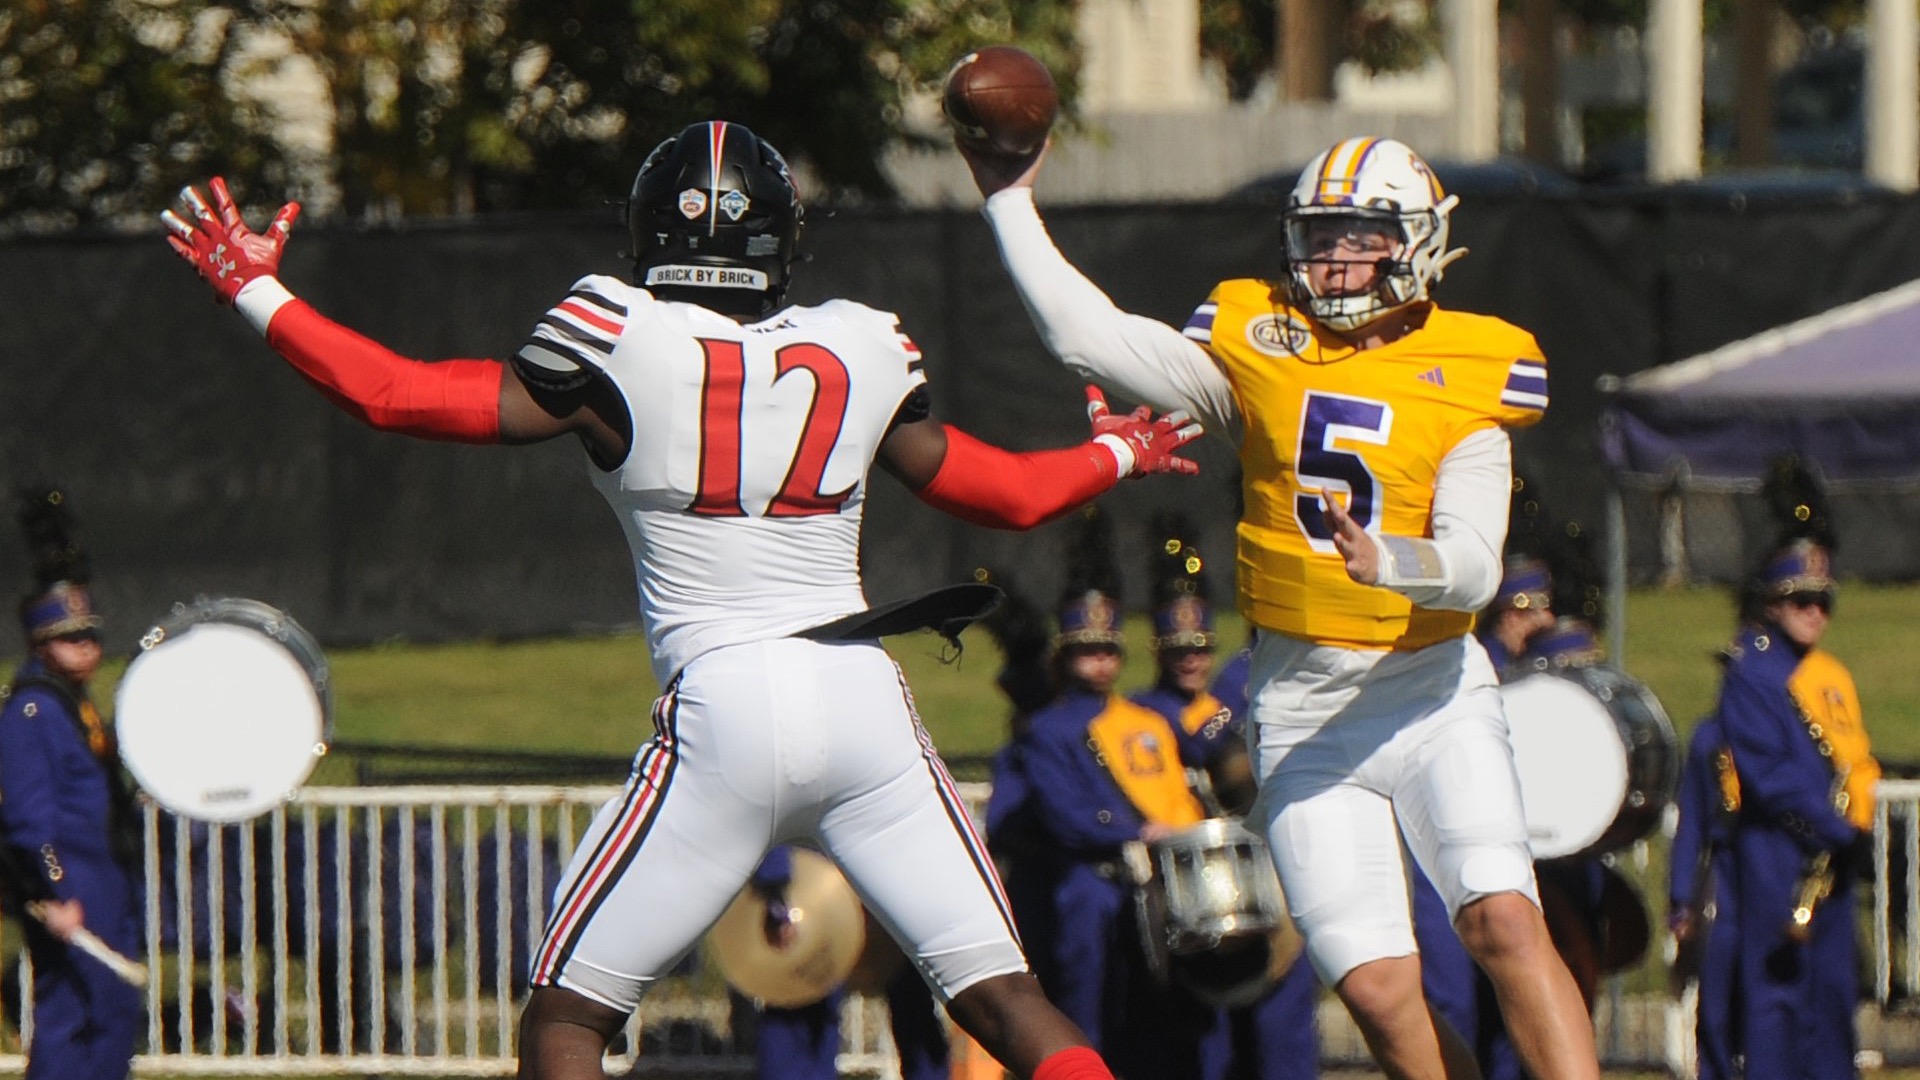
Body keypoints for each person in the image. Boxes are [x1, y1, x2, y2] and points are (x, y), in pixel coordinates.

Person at [162, 120, 1207, 1080]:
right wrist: (1120, 449)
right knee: (1008, 1000)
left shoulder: (612, 328)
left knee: (568, 1022)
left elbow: (394, 395)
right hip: (860, 699)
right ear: (782, 240)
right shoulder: (860, 339)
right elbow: (1011, 495)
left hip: (726, 702)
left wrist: (258, 291)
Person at [961, 133, 1598, 1080]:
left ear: (1418, 242)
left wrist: (1385, 558)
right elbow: (1084, 334)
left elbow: (1470, 570)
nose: (1334, 257)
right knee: (1381, 992)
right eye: (1321, 233)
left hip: (1427, 690)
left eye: (1360, 234)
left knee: (1503, 918)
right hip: (1301, 708)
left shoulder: (1476, 364)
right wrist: (1008, 198)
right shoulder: (1256, 338)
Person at [986, 511, 1213, 1078]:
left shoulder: (1142, 719)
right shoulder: (1048, 730)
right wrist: (1131, 831)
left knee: (1155, 1022)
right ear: (1065, 653)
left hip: (1154, 886)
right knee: (1086, 1021)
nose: (1101, 660)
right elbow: (1064, 817)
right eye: (1087, 649)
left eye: (1109, 649)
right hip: (1085, 890)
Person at [1712, 538, 1878, 1080]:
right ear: (1773, 604)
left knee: (1831, 995)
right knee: (1778, 998)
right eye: (1800, 599)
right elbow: (1771, 776)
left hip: (1831, 853)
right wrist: (1835, 828)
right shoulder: (1754, 672)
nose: (1814, 612)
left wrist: (1855, 830)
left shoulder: (1823, 673)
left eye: (1823, 601)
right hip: (1777, 851)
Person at [0, 574, 143, 1080]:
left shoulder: (75, 707)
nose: (87, 648)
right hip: (72, 885)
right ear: (42, 645)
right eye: (71, 638)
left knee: (114, 1011)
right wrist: (53, 889)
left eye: (91, 636)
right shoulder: (29, 712)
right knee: (72, 1015)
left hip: (105, 879)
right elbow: (26, 818)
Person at [744, 846, 949, 1080]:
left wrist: (775, 883)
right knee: (800, 1004)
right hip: (876, 860)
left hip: (830, 865)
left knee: (799, 1007)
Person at [1667, 711, 1742, 1080]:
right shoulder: (1711, 734)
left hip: (1780, 873)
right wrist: (1681, 900)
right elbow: (1692, 820)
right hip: (1725, 877)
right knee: (1715, 1007)